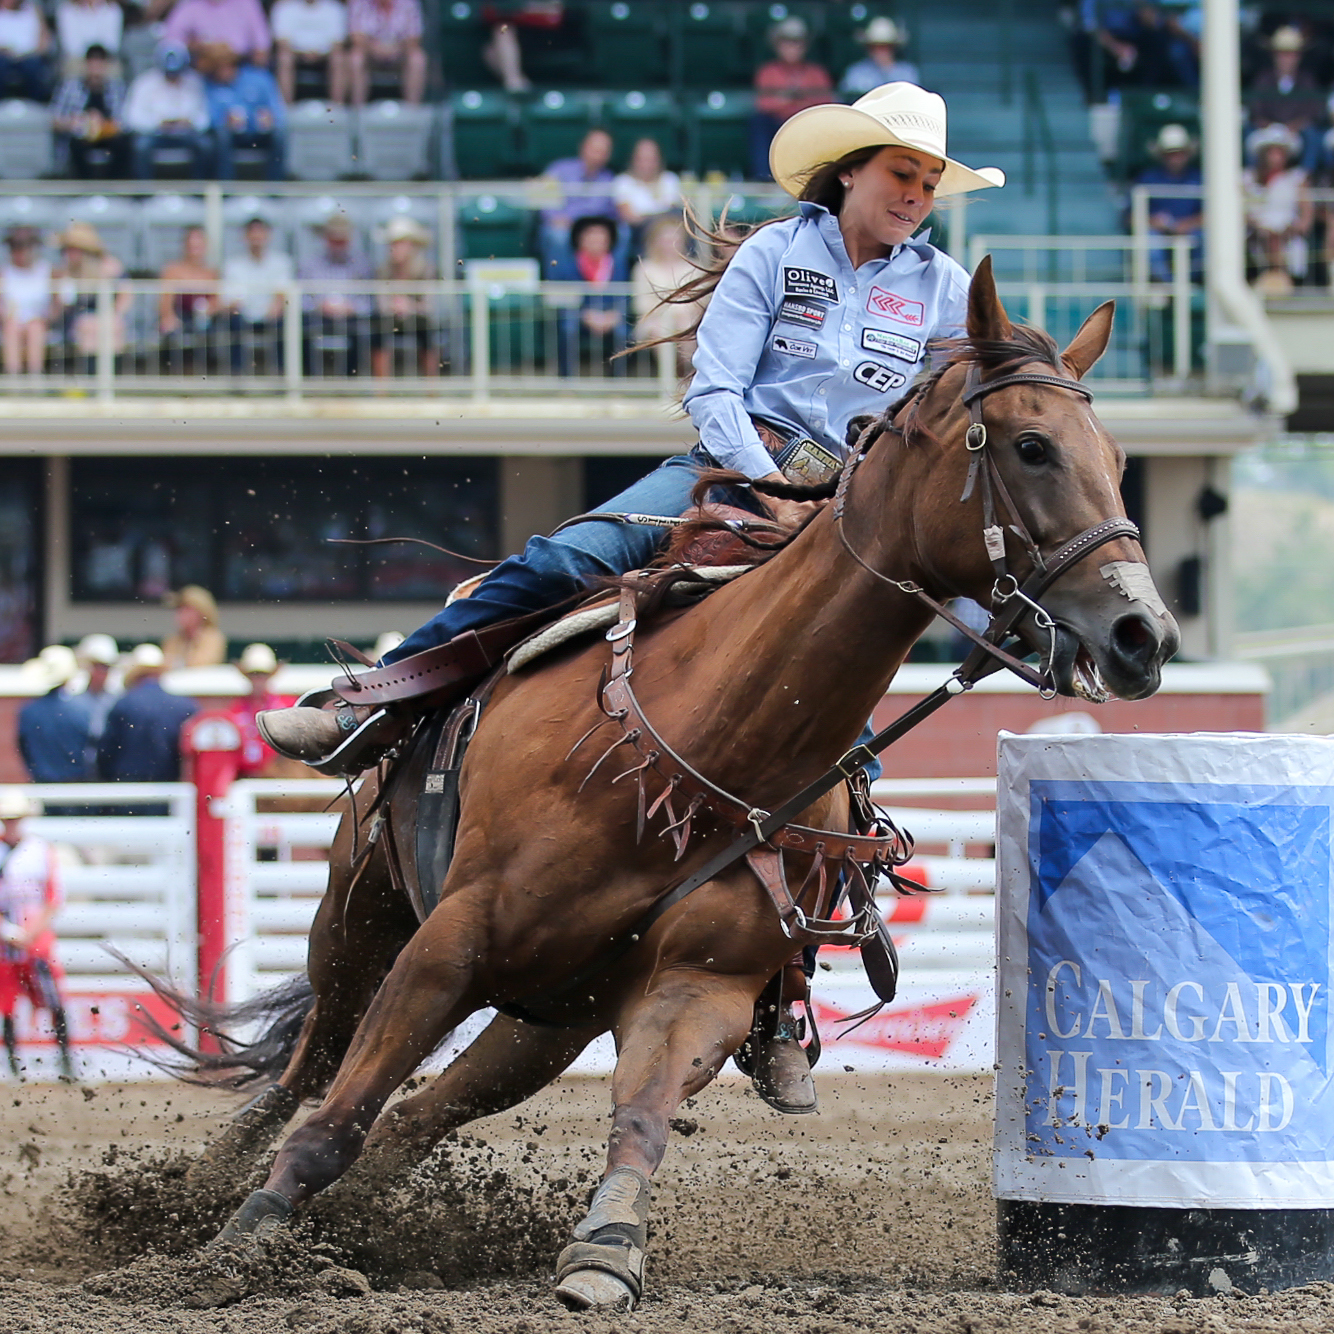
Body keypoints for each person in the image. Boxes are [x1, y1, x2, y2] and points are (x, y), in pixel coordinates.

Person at [258, 81, 1005, 1115]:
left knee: (844, 752)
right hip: (726, 474)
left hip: (844, 522)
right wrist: (770, 487)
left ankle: (786, 992)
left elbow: (948, 418)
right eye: (900, 174)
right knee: (569, 556)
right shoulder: (773, 258)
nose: (915, 194)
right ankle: (377, 696)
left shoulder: (941, 291)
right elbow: (713, 388)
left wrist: (851, 510)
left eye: (927, 180)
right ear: (850, 173)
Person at [0, 789, 74, 1081]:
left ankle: (67, 1062)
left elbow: (53, 898)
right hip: (5, 943)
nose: (11, 825)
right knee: (6, 1005)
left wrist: (31, 933)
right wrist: (7, 931)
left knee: (54, 1001)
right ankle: (14, 1067)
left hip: (37, 941)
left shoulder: (41, 852)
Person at [96, 643, 198, 782]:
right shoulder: (184, 706)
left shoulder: (123, 704)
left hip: (128, 789)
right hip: (171, 790)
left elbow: (106, 753)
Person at [751, 16, 834, 182]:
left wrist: (793, 100)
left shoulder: (816, 73)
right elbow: (763, 105)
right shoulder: (768, 71)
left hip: (807, 126)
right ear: (777, 45)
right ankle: (764, 179)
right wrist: (789, 100)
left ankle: (822, 179)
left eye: (797, 42)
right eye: (786, 42)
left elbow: (828, 104)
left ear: (804, 45)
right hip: (777, 125)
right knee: (758, 122)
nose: (792, 47)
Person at [550, 213, 628, 378]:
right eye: (590, 237)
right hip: (579, 316)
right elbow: (561, 298)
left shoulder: (618, 266)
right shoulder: (567, 266)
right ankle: (567, 379)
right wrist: (584, 314)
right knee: (568, 327)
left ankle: (618, 380)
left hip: (609, 316)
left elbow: (626, 296)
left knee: (622, 330)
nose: (596, 242)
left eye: (601, 237)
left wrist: (614, 315)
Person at [123, 39, 213, 180]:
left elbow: (205, 117)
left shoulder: (194, 82)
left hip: (186, 134)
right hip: (155, 134)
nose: (172, 76)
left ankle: (197, 192)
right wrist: (158, 123)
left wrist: (191, 122)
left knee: (205, 145)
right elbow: (132, 117)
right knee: (140, 146)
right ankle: (145, 193)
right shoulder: (144, 83)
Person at [199, 40, 286, 180]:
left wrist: (269, 119)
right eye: (214, 70)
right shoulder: (210, 86)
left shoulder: (259, 79)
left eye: (221, 67)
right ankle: (226, 189)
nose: (218, 73)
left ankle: (275, 188)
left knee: (279, 135)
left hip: (259, 133)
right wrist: (225, 121)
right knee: (220, 136)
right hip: (231, 136)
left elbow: (278, 112)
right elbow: (208, 119)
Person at [298, 211, 372, 378]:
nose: (338, 244)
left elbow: (368, 299)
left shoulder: (361, 263)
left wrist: (352, 308)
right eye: (334, 239)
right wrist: (319, 306)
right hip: (318, 316)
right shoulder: (310, 263)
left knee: (363, 330)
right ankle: (308, 380)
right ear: (326, 239)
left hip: (350, 316)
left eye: (342, 240)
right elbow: (301, 297)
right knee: (301, 327)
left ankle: (351, 380)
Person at [1244, 123, 1312, 292]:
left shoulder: (1297, 178)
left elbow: (1306, 213)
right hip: (1254, 233)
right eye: (1271, 151)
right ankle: (1272, 279)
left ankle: (1279, 279)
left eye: (1280, 151)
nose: (1275, 156)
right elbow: (1241, 211)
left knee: (1276, 238)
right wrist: (1256, 226)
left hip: (1288, 233)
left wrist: (1294, 228)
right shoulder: (1246, 178)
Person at [1248, 25, 1324, 175]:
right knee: (1249, 135)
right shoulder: (1263, 79)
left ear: (1299, 56)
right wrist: (1270, 126)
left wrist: (1294, 126)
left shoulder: (1307, 80)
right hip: (1268, 130)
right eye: (1282, 53)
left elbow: (1314, 111)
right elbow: (1255, 110)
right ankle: (1254, 179)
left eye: (1292, 54)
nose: (1287, 58)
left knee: (1312, 135)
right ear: (1274, 55)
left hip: (1296, 131)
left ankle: (1304, 177)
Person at [221, 213, 292, 374]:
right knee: (234, 323)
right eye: (252, 233)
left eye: (260, 232)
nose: (256, 237)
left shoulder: (281, 262)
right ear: (245, 236)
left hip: (272, 316)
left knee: (285, 324)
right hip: (244, 316)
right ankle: (238, 377)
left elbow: (283, 292)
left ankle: (282, 375)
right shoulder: (234, 265)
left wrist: (276, 307)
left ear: (268, 235)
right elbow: (232, 298)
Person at [52, 220, 129, 368]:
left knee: (112, 326)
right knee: (88, 326)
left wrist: (115, 313)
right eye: (67, 249)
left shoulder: (111, 268)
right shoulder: (64, 272)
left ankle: (109, 381)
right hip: (76, 321)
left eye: (73, 249)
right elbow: (64, 306)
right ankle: (91, 379)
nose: (69, 254)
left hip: (106, 317)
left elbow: (125, 295)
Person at [538, 126, 616, 266]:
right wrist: (556, 218)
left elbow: (607, 213)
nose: (598, 155)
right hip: (562, 225)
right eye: (595, 150)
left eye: (604, 152)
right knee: (558, 237)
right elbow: (544, 201)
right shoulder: (558, 169)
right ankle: (561, 285)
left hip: (591, 228)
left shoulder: (609, 179)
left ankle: (609, 284)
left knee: (620, 234)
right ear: (583, 147)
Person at [371, 213, 437, 379]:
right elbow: (380, 303)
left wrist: (409, 306)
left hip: (418, 319)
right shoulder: (383, 270)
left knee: (428, 330)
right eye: (393, 243)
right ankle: (381, 389)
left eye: (401, 243)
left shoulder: (426, 270)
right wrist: (394, 306)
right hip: (390, 318)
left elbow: (430, 305)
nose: (396, 247)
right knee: (377, 330)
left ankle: (432, 388)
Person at [1135, 122, 1202, 283]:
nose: (1175, 158)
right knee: (1149, 240)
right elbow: (1130, 216)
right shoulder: (1147, 179)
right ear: (1162, 155)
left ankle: (1192, 281)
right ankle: (1167, 283)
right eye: (1170, 153)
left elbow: (1213, 212)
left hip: (1192, 231)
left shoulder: (1199, 178)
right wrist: (1154, 222)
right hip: (1158, 233)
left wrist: (1188, 224)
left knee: (1207, 238)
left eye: (1179, 153)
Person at [632, 215, 699, 373]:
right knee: (660, 331)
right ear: (656, 241)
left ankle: (688, 376)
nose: (670, 244)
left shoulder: (694, 267)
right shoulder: (644, 268)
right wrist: (671, 312)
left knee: (686, 327)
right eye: (665, 239)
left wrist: (677, 312)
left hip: (686, 318)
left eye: (674, 238)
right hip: (653, 319)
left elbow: (698, 302)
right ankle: (667, 381)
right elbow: (641, 304)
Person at [51, 42, 130, 178]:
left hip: (108, 136)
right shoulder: (69, 87)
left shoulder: (117, 88)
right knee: (75, 145)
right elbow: (54, 119)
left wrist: (103, 124)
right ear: (86, 65)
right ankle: (82, 189)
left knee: (123, 144)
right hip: (80, 136)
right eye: (92, 64)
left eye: (100, 64)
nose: (96, 69)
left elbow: (126, 120)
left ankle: (115, 188)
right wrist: (77, 122)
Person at [17, 646, 89, 783]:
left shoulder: (29, 711)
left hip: (42, 783)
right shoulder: (82, 709)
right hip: (77, 785)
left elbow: (24, 748)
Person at [227, 642, 294, 777]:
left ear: (270, 675)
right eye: (254, 674)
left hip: (280, 778)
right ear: (247, 676)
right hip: (244, 777)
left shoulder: (289, 706)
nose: (258, 679)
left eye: (263, 674)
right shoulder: (234, 710)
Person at [158, 224, 218, 371]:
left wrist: (208, 311)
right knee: (171, 332)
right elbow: (165, 301)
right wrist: (168, 317)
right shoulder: (172, 271)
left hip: (203, 320)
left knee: (210, 333)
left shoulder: (211, 273)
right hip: (180, 317)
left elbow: (217, 301)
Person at [347, 0, 423, 106]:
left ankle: (413, 109)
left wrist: (396, 49)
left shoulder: (409, 3)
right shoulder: (359, 3)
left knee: (417, 58)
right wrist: (375, 49)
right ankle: (357, 109)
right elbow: (356, 37)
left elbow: (414, 38)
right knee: (355, 58)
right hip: (370, 54)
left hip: (399, 53)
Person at [613, 138, 682, 253]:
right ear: (633, 160)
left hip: (670, 231)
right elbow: (628, 216)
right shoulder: (623, 181)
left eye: (651, 159)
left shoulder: (670, 179)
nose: (646, 164)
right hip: (639, 233)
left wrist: (648, 216)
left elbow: (673, 214)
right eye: (642, 159)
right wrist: (656, 217)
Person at [271, 0, 347, 104]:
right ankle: (285, 108)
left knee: (339, 58)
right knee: (284, 58)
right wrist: (302, 53)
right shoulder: (285, 7)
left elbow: (338, 43)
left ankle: (337, 107)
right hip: (296, 54)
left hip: (325, 55)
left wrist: (318, 54)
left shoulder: (334, 8)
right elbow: (281, 41)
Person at [1, 226, 52, 377]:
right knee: (11, 328)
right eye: (15, 247)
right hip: (11, 321)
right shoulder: (4, 273)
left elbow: (58, 302)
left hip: (40, 321)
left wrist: (47, 318)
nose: (20, 251)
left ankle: (34, 377)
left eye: (24, 246)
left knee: (35, 328)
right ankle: (13, 377)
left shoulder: (48, 271)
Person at [481, 0, 563, 94]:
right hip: (517, 30)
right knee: (501, 34)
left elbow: (555, 12)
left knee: (493, 50)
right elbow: (494, 11)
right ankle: (516, 86)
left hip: (552, 35)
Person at [163, 0, 271, 70]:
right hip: (202, 72)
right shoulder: (189, 5)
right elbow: (170, 43)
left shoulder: (247, 3)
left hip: (242, 68)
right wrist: (195, 46)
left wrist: (229, 57)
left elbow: (262, 49)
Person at [73, 632, 119, 778]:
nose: (102, 672)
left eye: (106, 667)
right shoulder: (74, 699)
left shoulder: (117, 699)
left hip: (107, 769)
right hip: (80, 769)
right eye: (98, 666)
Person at [840, 16, 919, 97]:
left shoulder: (907, 73)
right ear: (869, 48)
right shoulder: (856, 73)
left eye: (885, 46)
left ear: (893, 47)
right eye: (875, 46)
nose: (880, 52)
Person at [161, 584, 226, 667]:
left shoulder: (213, 638)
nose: (182, 614)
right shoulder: (173, 640)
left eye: (188, 610)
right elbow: (165, 665)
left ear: (202, 612)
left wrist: (195, 641)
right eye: (180, 609)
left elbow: (201, 665)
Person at [55, 0, 121, 77]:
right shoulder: (66, 10)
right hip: (77, 59)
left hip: (104, 59)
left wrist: (96, 61)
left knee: (115, 69)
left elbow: (112, 44)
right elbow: (71, 46)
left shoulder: (113, 9)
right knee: (71, 68)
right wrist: (91, 62)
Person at [0, 0, 49, 102]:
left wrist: (35, 52)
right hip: (3, 55)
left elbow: (44, 39)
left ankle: (35, 105)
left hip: (29, 56)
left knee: (34, 68)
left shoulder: (34, 9)